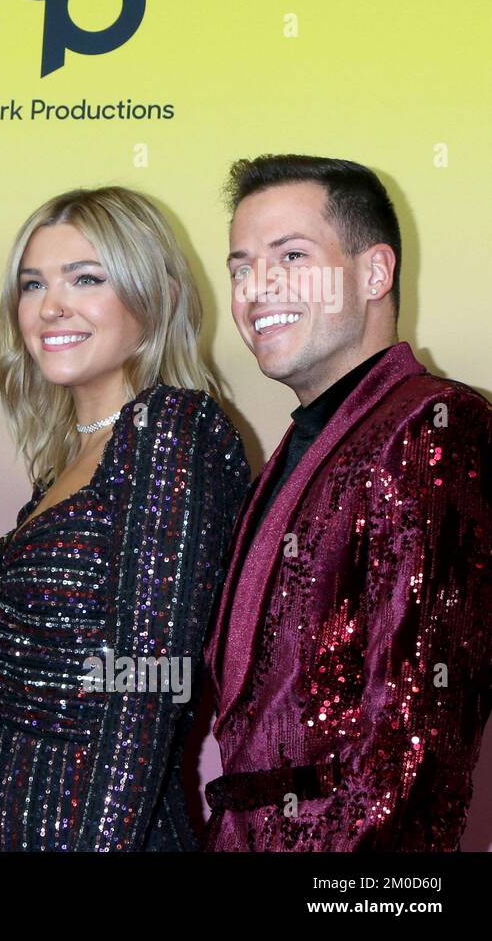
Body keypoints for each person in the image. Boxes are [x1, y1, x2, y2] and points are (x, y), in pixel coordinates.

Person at [0, 186, 249, 851]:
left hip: (101, 835)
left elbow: (145, 693)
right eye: (32, 285)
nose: (51, 306)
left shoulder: (174, 427)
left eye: (85, 279)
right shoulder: (60, 467)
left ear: (155, 299)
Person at [205, 154, 492, 851]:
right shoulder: (300, 445)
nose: (255, 288)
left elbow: (415, 746)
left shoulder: (435, 425)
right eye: (240, 267)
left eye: (291, 256)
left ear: (374, 273)